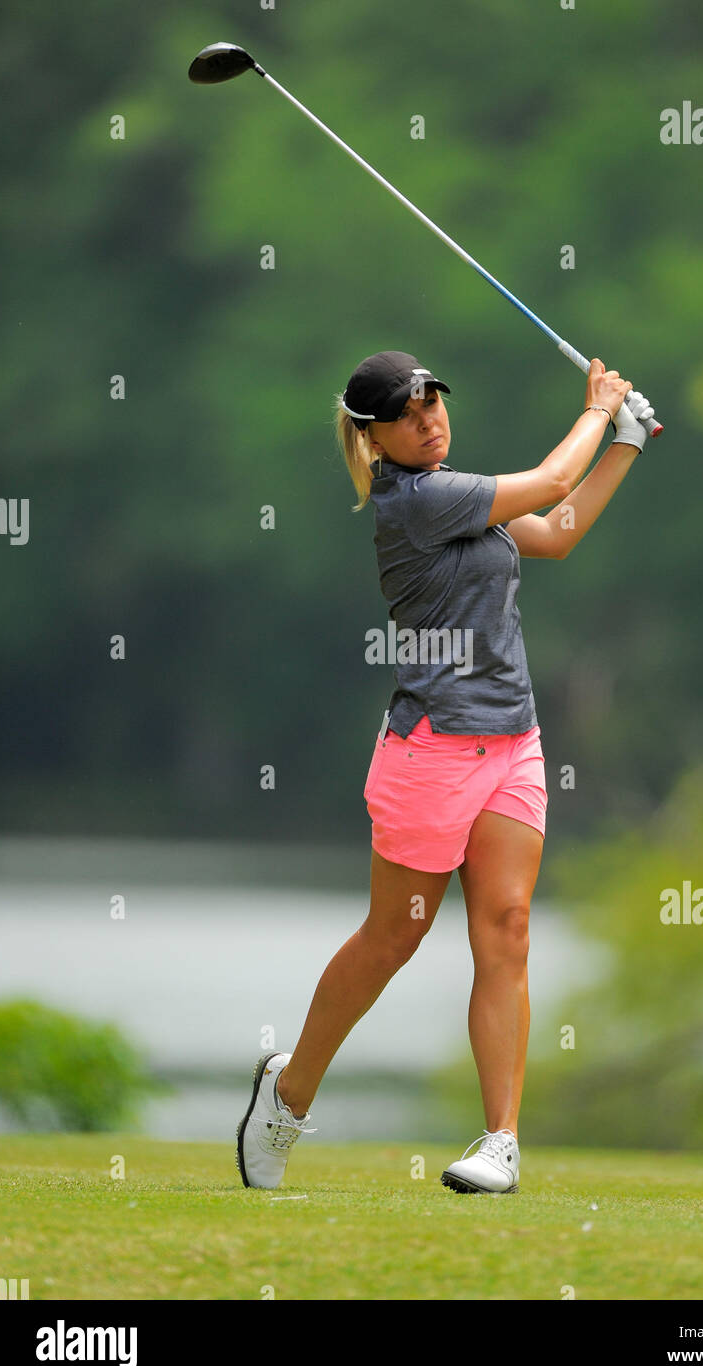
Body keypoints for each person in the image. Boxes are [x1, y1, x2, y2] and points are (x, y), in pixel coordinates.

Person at [237, 350, 655, 1194]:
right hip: (430, 751)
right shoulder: (416, 502)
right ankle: (286, 1096)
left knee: (505, 929)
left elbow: (558, 532)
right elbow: (544, 485)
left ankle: (500, 1141)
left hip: (512, 744)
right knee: (394, 938)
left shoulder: (460, 491)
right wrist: (598, 409)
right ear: (375, 438)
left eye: (434, 404)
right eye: (409, 414)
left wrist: (625, 444)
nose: (430, 420)